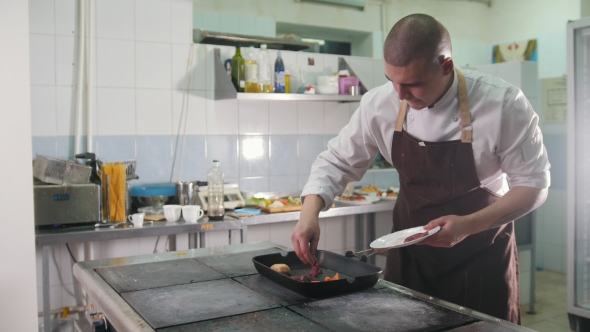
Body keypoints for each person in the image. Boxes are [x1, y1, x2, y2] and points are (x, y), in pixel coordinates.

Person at [291, 13, 550, 324]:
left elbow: (534, 186)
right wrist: (309, 214)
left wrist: (466, 226)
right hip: (410, 261)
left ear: (446, 66)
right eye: (392, 81)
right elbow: (337, 160)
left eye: (413, 84)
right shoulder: (379, 105)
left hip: (481, 257)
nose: (400, 95)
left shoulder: (504, 104)